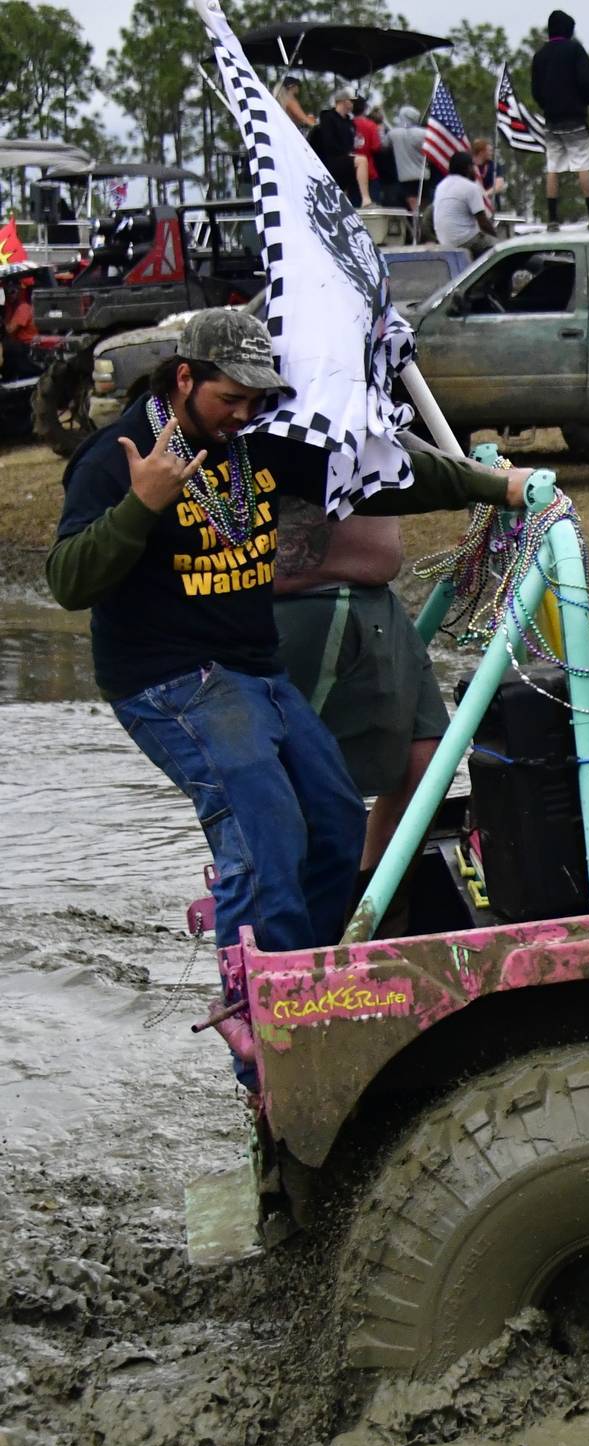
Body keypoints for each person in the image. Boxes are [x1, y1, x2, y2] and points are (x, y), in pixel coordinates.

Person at [45, 308, 527, 980]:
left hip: (253, 670)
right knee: (263, 837)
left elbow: (383, 477)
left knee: (332, 821)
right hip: (167, 679)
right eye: (229, 398)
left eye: (254, 400)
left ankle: (321, 979)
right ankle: (266, 1022)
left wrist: (496, 488)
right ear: (184, 378)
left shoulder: (256, 443)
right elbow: (68, 581)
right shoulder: (117, 456)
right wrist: (142, 503)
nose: (242, 414)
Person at [272, 444, 453, 873]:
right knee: (299, 776)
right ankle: (291, 901)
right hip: (308, 601)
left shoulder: (368, 397)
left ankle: (373, 894)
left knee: (428, 754)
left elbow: (395, 447)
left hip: (375, 598)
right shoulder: (291, 400)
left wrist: (486, 481)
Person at [531, 9, 589, 225]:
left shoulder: (540, 55)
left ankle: (552, 218)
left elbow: (536, 90)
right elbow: (586, 82)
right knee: (582, 164)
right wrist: (584, 102)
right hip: (574, 117)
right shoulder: (575, 50)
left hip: (551, 119)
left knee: (553, 166)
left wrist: (547, 105)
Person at [432, 150, 499, 254]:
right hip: (465, 240)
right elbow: (483, 223)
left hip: (445, 242)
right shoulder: (470, 187)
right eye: (473, 166)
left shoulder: (440, 186)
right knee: (499, 249)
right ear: (468, 168)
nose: (474, 170)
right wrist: (497, 238)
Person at [311, 89, 362, 205]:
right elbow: (328, 142)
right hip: (332, 159)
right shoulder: (328, 117)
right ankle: (366, 199)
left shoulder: (350, 122)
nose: (352, 104)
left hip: (345, 159)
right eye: (351, 101)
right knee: (361, 161)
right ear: (343, 101)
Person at [387, 105, 429, 216]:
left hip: (406, 176)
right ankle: (422, 223)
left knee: (413, 205)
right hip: (424, 174)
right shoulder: (424, 133)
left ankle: (418, 226)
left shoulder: (394, 134)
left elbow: (383, 144)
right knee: (423, 204)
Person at [351, 99, 382, 207]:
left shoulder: (348, 125)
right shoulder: (371, 125)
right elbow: (376, 147)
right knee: (372, 209)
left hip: (351, 174)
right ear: (364, 109)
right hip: (370, 173)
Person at [472, 138, 506, 209]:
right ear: (481, 152)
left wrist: (485, 195)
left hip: (491, 207)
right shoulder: (469, 166)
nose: (491, 153)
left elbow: (499, 185)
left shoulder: (494, 166)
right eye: (489, 151)